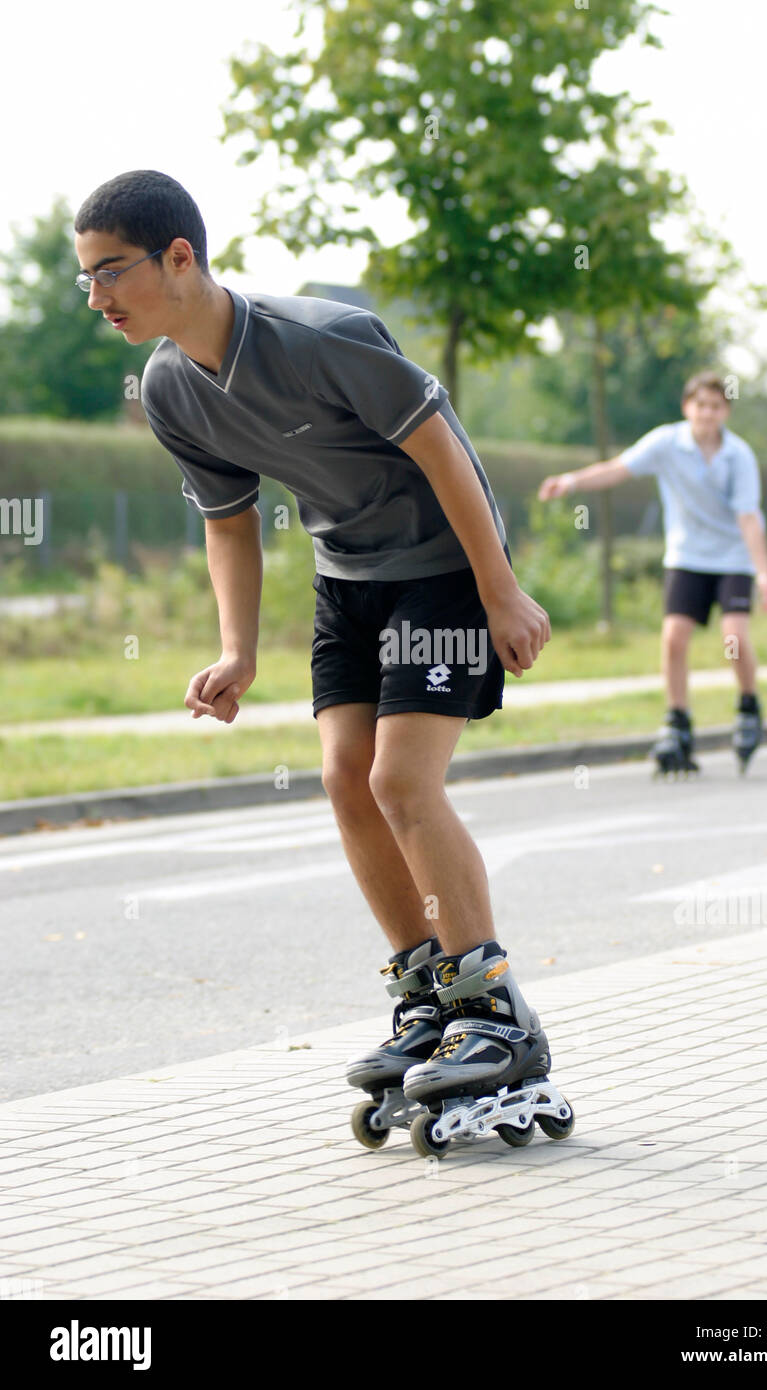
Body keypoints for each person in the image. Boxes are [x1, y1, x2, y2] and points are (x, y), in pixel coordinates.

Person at [73, 169, 573, 1152]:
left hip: (441, 566)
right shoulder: (170, 386)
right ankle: (427, 999)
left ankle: (494, 1010)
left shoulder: (320, 337)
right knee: (345, 780)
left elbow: (443, 450)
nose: (97, 298)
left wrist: (499, 587)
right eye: (83, 279)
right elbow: (228, 522)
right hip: (346, 578)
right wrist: (235, 650)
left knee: (400, 779)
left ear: (180, 257)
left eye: (111, 272)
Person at [538, 372, 767, 773]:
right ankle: (677, 722)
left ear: (726, 412)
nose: (707, 413)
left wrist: (765, 573)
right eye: (700, 405)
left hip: (733, 557)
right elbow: (618, 468)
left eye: (716, 406)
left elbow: (749, 517)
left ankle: (749, 703)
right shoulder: (667, 442)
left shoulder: (739, 456)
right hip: (686, 556)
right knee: (673, 639)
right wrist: (571, 481)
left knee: (733, 637)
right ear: (687, 407)